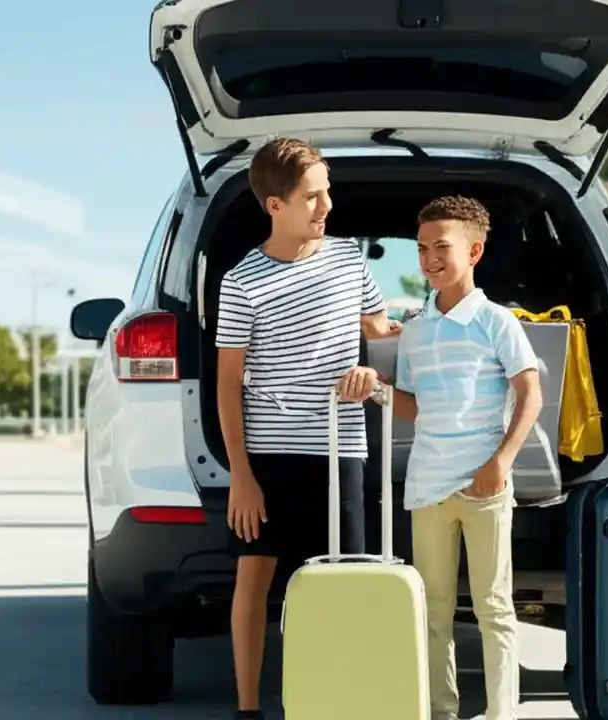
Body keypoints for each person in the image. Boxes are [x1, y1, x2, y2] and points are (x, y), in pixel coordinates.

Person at [216, 137, 399, 720]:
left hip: (341, 445)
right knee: (255, 577)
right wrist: (240, 477)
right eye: (311, 197)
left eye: (327, 193)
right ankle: (248, 708)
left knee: (342, 581)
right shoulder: (241, 282)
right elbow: (227, 386)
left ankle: (334, 703)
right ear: (275, 205)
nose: (326, 207)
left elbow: (382, 331)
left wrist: (383, 361)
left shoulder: (348, 259)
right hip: (269, 452)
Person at [343, 196, 542, 720]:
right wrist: (379, 390)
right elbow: (413, 405)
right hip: (428, 486)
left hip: (485, 486)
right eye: (423, 248)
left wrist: (500, 463)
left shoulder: (497, 322)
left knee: (493, 609)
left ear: (474, 251)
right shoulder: (416, 327)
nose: (429, 258)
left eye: (442, 247)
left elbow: (531, 396)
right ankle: (441, 711)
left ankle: (503, 714)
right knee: (431, 612)